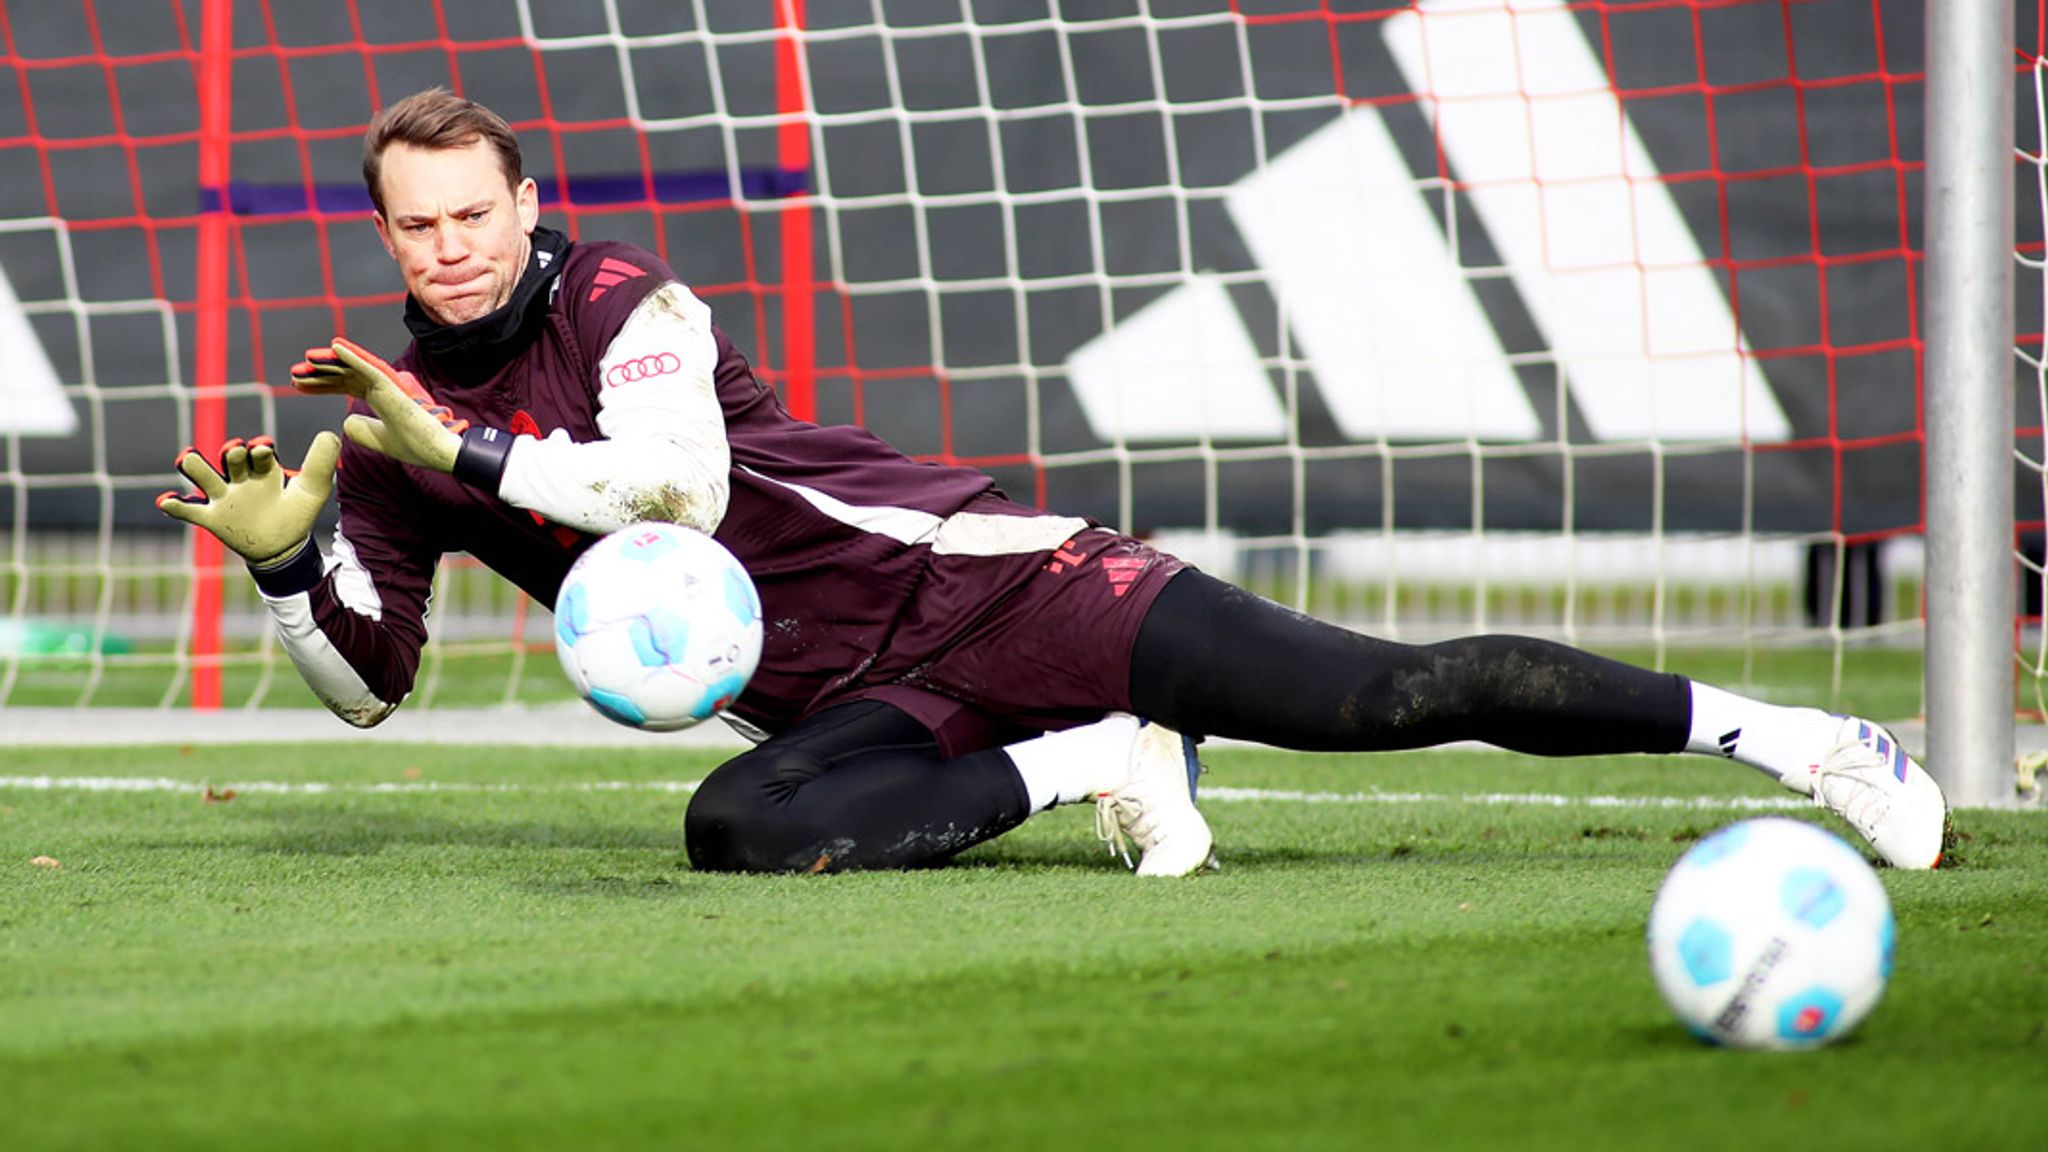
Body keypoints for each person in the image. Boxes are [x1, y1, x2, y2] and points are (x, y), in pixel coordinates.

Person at [157, 88, 1949, 876]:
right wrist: (291, 557)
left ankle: (1798, 741)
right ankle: (1088, 766)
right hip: (860, 699)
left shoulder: (632, 300)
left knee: (1392, 696)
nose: (455, 246)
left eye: (480, 214)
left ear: (528, 211)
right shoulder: (374, 424)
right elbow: (366, 691)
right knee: (740, 833)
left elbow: (676, 493)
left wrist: (459, 443)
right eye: (421, 224)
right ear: (382, 235)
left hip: (997, 582)